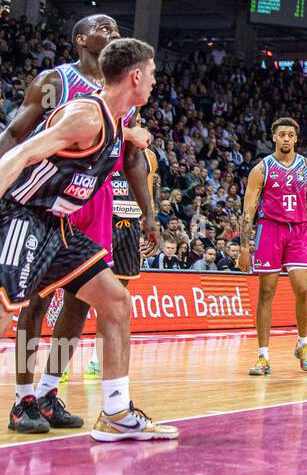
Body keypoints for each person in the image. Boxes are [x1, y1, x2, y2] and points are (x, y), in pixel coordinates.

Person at [0, 37, 176, 441]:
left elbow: (127, 144)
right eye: (151, 74)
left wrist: (135, 138)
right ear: (134, 75)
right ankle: (25, 395)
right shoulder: (85, 114)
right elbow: (21, 153)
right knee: (8, 313)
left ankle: (114, 412)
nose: (154, 81)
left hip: (59, 225)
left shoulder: (116, 118)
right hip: (25, 216)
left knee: (115, 300)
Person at [239, 117, 307, 376]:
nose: (286, 138)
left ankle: (303, 345)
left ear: (296, 138)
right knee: (266, 292)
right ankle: (263, 356)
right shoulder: (261, 169)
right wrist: (245, 247)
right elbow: (248, 210)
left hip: (298, 232)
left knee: (303, 289)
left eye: (291, 134)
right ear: (274, 138)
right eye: (282, 134)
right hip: (270, 230)